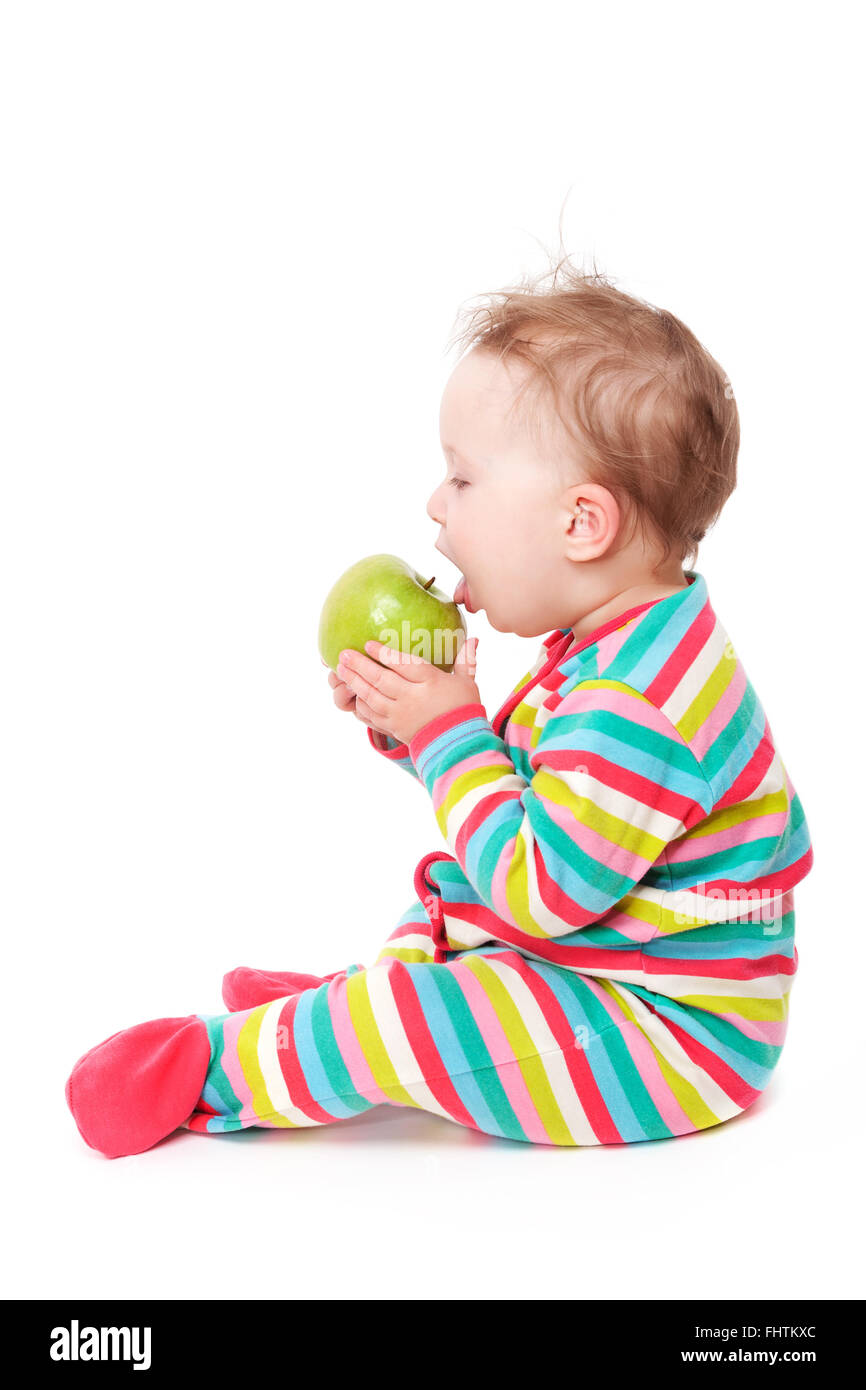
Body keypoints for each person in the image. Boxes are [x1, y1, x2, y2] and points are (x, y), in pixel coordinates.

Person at [65, 260, 814, 1157]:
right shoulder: (625, 645)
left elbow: (538, 893)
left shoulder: (638, 702)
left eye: (462, 479)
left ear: (581, 523)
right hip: (604, 967)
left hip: (667, 1038)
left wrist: (449, 730)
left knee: (417, 1012)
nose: (435, 504)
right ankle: (339, 1017)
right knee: (447, 894)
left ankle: (219, 1069)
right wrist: (416, 728)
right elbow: (536, 804)